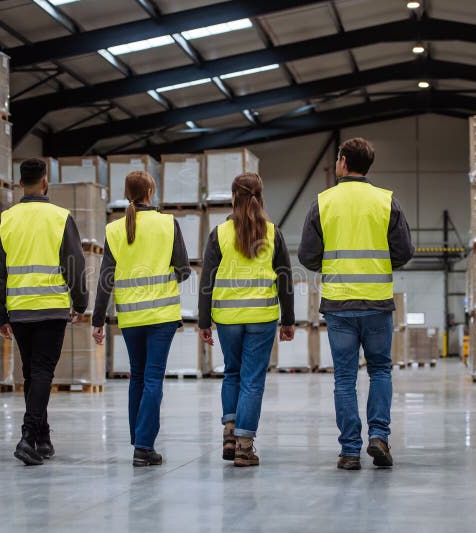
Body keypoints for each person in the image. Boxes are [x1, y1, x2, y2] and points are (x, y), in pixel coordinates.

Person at [298, 138, 414, 471]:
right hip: (377, 303)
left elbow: (307, 255)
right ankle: (379, 436)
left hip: (339, 304)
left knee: (345, 379)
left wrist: (333, 265)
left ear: (344, 162)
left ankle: (350, 450)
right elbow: (404, 251)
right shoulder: (386, 201)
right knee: (380, 371)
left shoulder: (323, 202)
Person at [0, 158, 87, 466]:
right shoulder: (60, 217)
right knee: (42, 372)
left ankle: (42, 438)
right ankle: (28, 437)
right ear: (45, 182)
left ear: (20, 184)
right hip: (51, 308)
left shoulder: (6, 220)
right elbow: (75, 264)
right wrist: (80, 302)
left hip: (19, 310)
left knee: (32, 372)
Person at [92, 171, 190, 467]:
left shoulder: (114, 229)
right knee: (153, 377)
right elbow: (184, 270)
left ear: (127, 193)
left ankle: (139, 440)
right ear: (150, 191)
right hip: (162, 315)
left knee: (137, 376)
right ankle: (144, 446)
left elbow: (106, 278)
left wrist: (97, 320)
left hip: (131, 317)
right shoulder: (168, 224)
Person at [198, 173, 295, 467]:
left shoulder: (219, 234)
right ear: (260, 198)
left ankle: (230, 433)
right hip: (262, 318)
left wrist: (204, 321)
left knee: (232, 372)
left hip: (228, 318)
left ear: (233, 198)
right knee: (252, 380)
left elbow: (206, 281)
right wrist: (288, 320)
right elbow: (285, 279)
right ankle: (244, 446)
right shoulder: (273, 233)